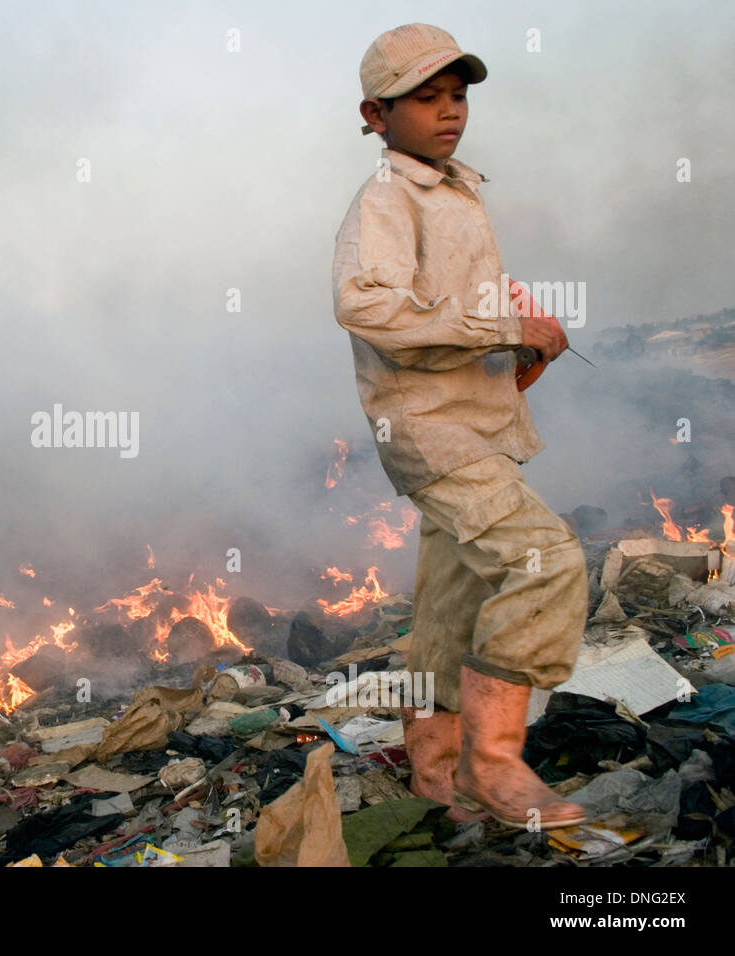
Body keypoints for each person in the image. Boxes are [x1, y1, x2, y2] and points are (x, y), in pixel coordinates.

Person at [332, 24, 590, 830]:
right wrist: (499, 331)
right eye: (426, 98)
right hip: (427, 432)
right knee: (546, 562)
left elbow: (465, 303)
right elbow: (364, 303)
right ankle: (493, 764)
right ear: (375, 113)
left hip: (474, 423)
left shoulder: (454, 191)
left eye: (458, 96)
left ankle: (437, 770)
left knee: (453, 602)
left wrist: (523, 332)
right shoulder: (386, 199)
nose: (449, 113)